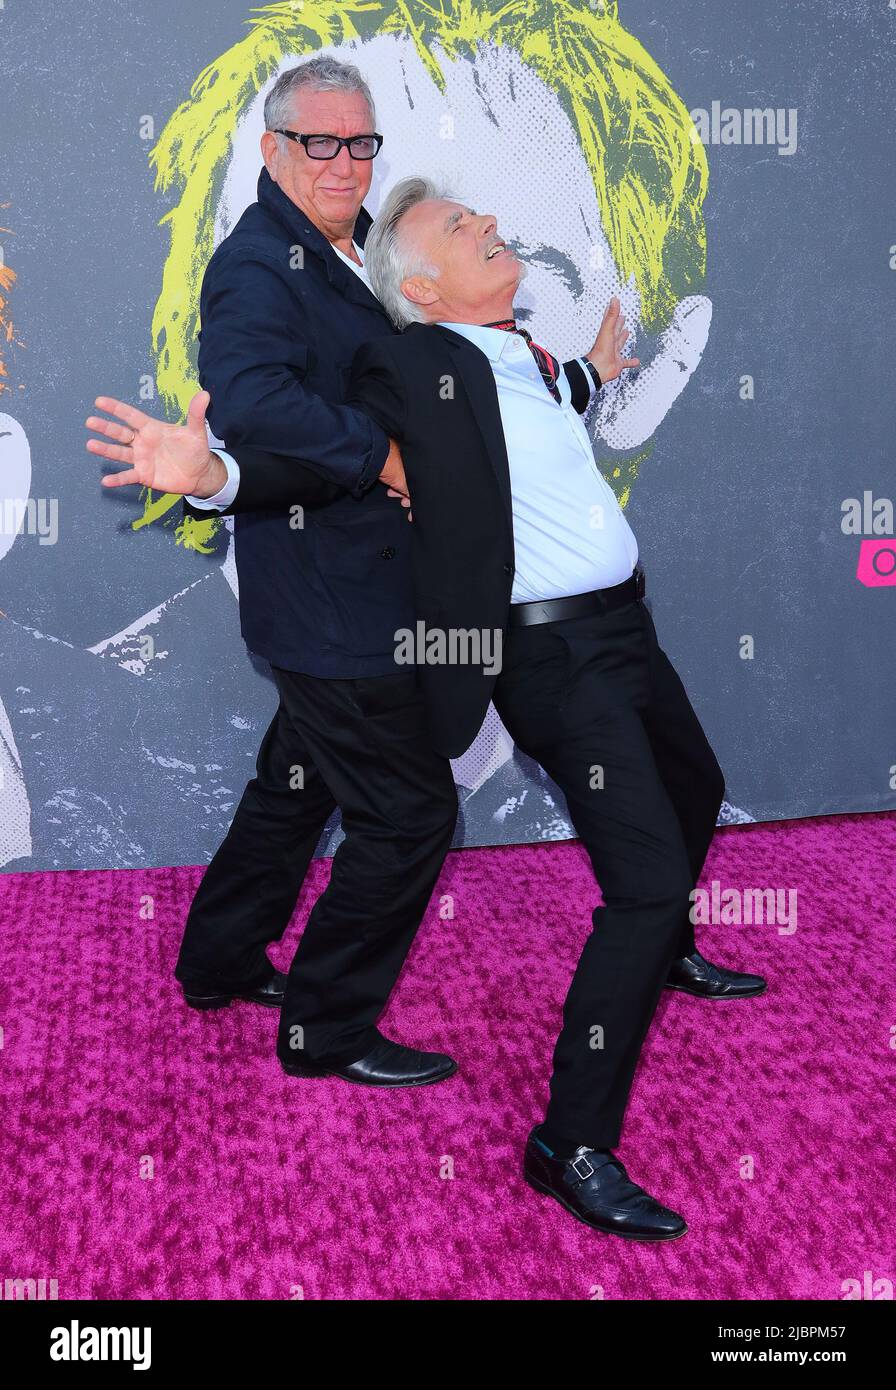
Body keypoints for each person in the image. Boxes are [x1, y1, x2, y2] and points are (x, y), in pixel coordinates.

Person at [84, 57, 607, 1093]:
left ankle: (218, 958)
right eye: (319, 143)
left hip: (354, 592)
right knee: (409, 817)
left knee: (295, 785)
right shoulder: (253, 266)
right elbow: (253, 402)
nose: (343, 162)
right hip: (332, 601)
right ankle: (323, 1029)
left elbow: (442, 348)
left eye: (359, 143)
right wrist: (383, 457)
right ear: (273, 149)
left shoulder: (359, 244)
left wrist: (572, 371)